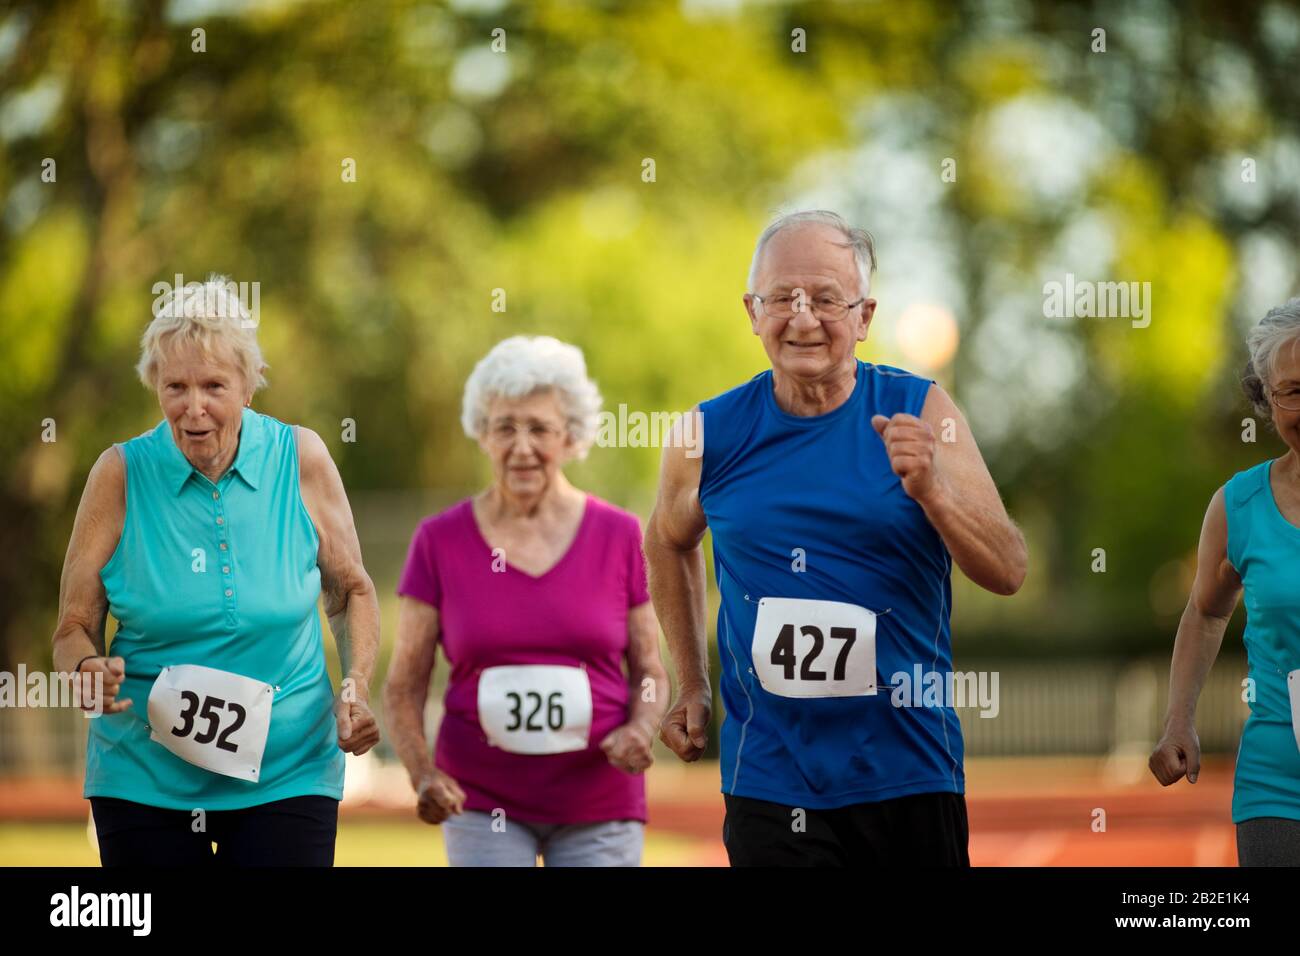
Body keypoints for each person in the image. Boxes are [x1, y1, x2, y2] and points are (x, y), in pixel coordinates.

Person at [645, 210, 1027, 866]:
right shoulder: (706, 435)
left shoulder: (924, 410)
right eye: (781, 299)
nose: (802, 318)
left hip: (908, 772)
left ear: (864, 316)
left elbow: (1009, 568)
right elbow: (667, 540)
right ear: (751, 310)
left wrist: (934, 489)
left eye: (826, 298)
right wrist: (692, 683)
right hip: (769, 778)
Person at [52, 276, 380, 866]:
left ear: (248, 387)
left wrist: (354, 684)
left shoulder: (300, 459)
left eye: (213, 386)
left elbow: (350, 589)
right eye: (175, 386)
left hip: (289, 770)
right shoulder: (119, 475)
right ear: (156, 385)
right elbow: (72, 625)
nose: (193, 407)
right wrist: (84, 667)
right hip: (144, 776)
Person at [384, 335, 668, 867]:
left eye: (539, 428)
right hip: (479, 798)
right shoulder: (439, 541)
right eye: (505, 427)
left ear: (570, 437)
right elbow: (403, 685)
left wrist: (641, 727)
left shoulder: (622, 535)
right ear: (482, 435)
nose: (521, 447)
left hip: (599, 800)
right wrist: (422, 773)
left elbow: (650, 669)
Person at [1150, 298, 1300, 866]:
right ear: (1266, 396)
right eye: (1294, 391)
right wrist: (1178, 720)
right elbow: (1206, 613)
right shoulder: (1238, 505)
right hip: (1278, 789)